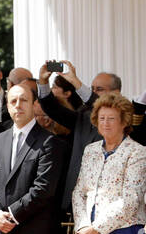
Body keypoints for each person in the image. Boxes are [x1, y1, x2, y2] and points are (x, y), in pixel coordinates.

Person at [0, 81, 66, 234]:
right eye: (13, 101)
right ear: (7, 105)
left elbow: (43, 189)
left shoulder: (50, 142)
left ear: (34, 104)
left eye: (23, 100)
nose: (18, 105)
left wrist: (10, 215)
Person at [71, 92, 146, 234]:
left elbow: (131, 199)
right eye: (102, 118)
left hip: (123, 233)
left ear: (124, 122)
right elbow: (79, 191)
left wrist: (97, 229)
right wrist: (82, 226)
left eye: (111, 119)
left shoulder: (137, 152)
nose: (105, 123)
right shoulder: (90, 150)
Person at [37, 61, 121, 215]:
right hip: (75, 202)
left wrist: (75, 82)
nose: (94, 92)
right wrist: (43, 82)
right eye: (92, 89)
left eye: (99, 89)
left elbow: (101, 104)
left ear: (116, 92)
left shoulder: (123, 116)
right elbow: (52, 109)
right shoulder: (83, 115)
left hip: (106, 204)